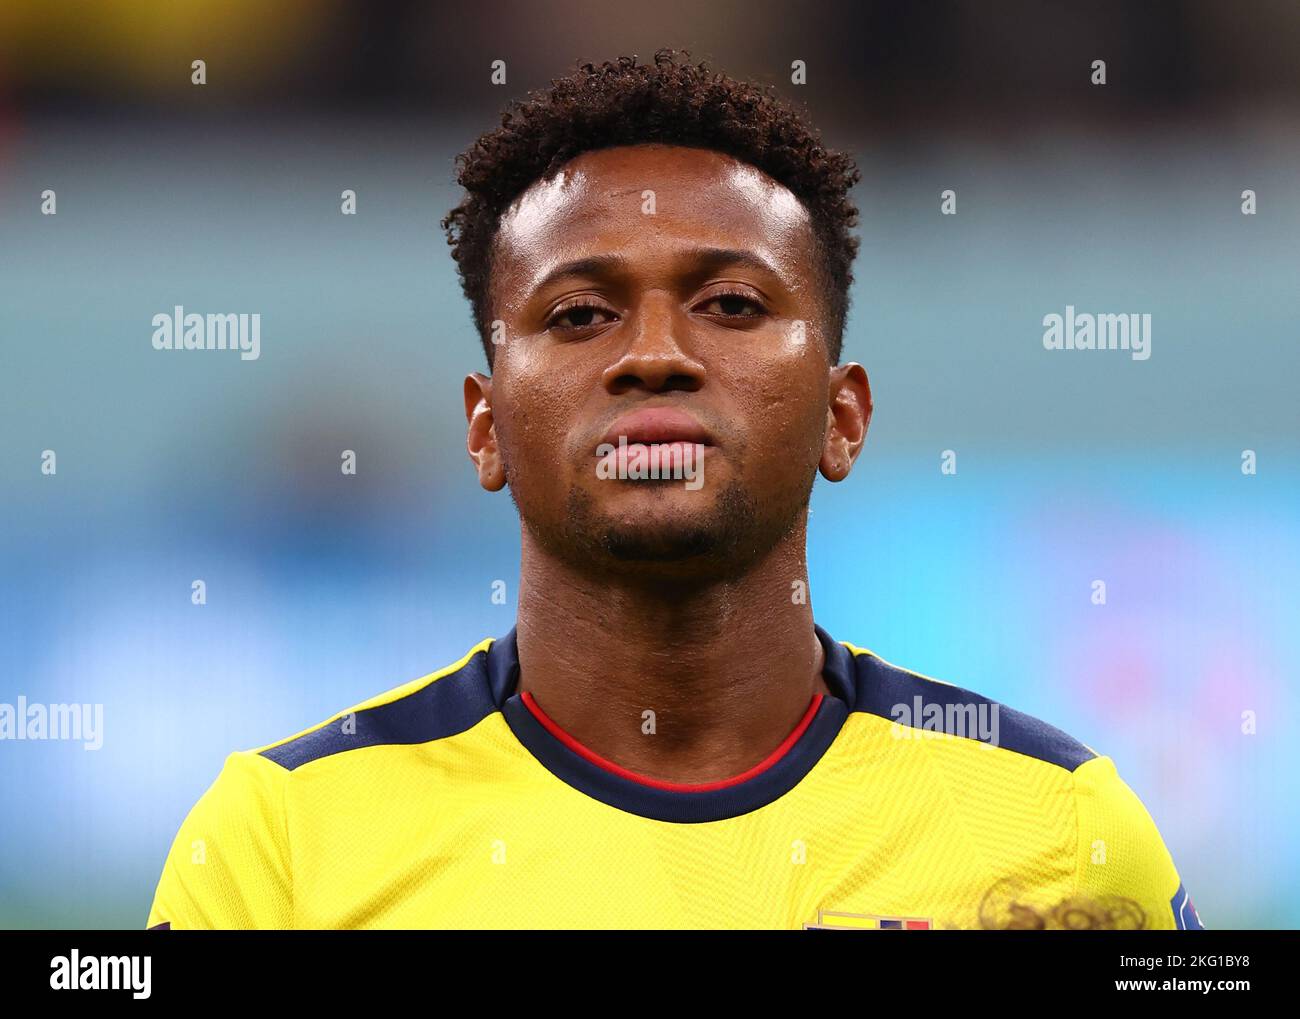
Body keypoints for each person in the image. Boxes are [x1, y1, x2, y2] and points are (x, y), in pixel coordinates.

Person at [147, 49, 1202, 930]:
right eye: (577, 315)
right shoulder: (281, 837)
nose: (653, 355)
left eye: (732, 303)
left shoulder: (1062, 827)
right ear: (485, 426)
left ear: (843, 416)